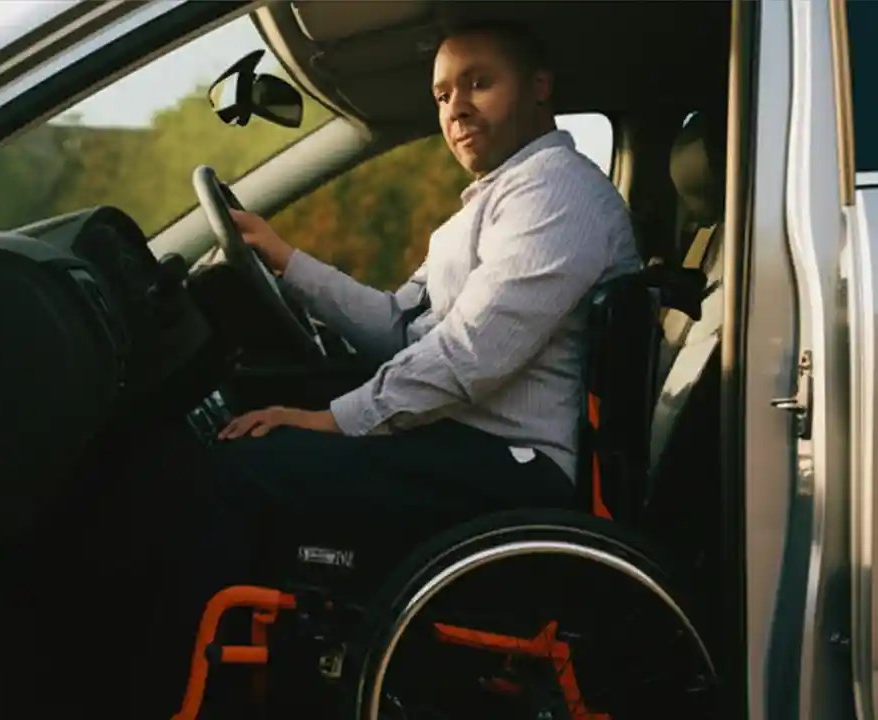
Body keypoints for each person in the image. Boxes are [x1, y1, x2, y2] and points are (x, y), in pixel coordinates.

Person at [144, 17, 641, 717]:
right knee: (258, 449)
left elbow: (470, 357)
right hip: (471, 440)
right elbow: (399, 328)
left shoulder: (557, 195)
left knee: (238, 472)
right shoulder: (491, 205)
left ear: (537, 89)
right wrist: (284, 259)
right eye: (442, 94)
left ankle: (189, 692)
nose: (456, 108)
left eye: (478, 83)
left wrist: (329, 421)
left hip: (513, 467)